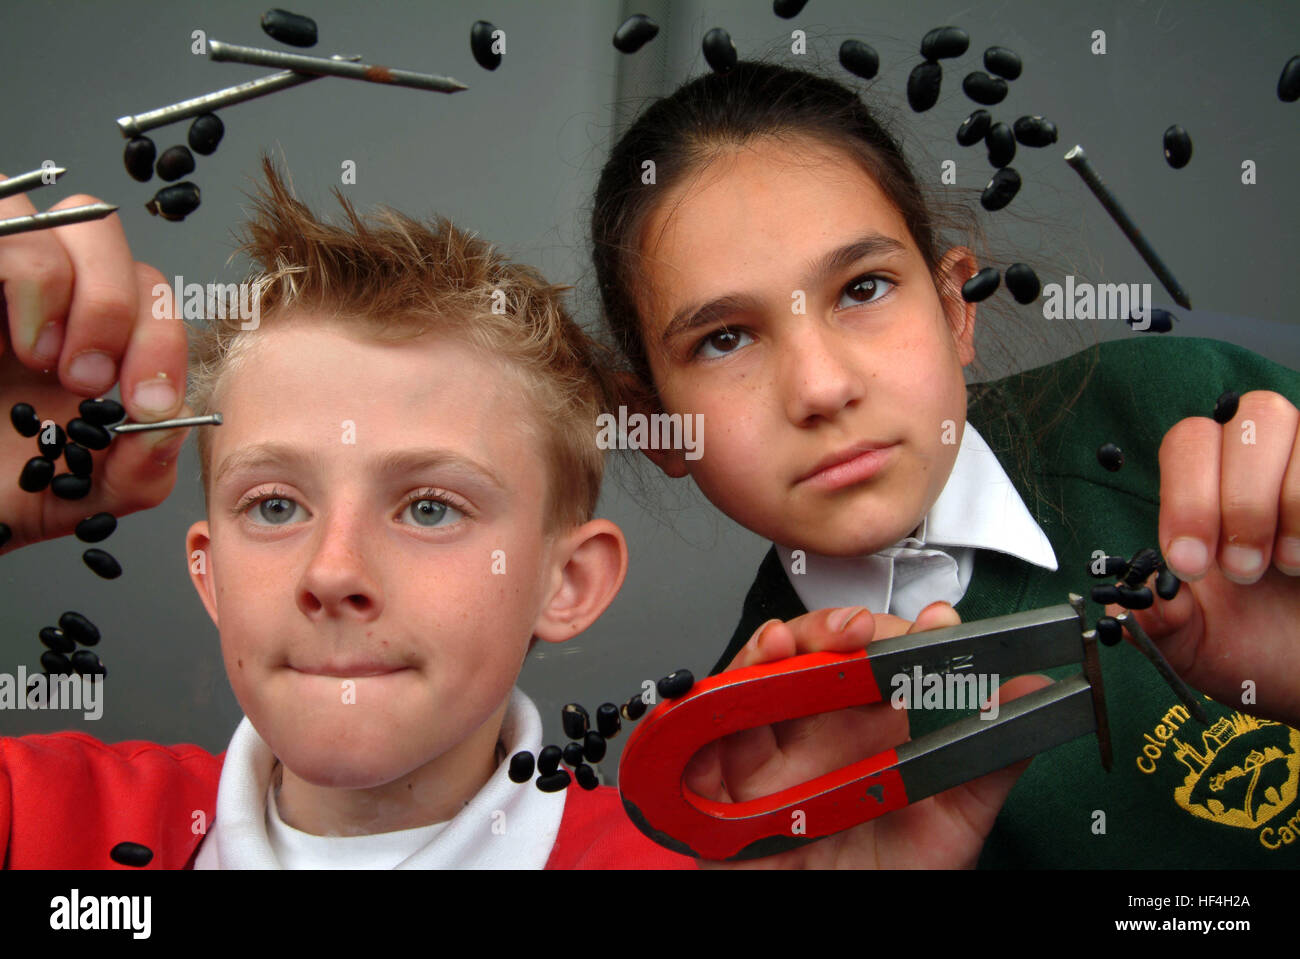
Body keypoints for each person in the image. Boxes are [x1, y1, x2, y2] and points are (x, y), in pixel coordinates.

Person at [589, 61, 1300, 867]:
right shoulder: (738, 770)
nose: (822, 387)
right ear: (653, 425)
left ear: (956, 308)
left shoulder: (1193, 408)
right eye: (726, 339)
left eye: (863, 288)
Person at [0, 159, 695, 869]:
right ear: (211, 574)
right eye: (275, 506)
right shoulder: (36, 821)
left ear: (568, 580)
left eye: (430, 508)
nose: (332, 571)